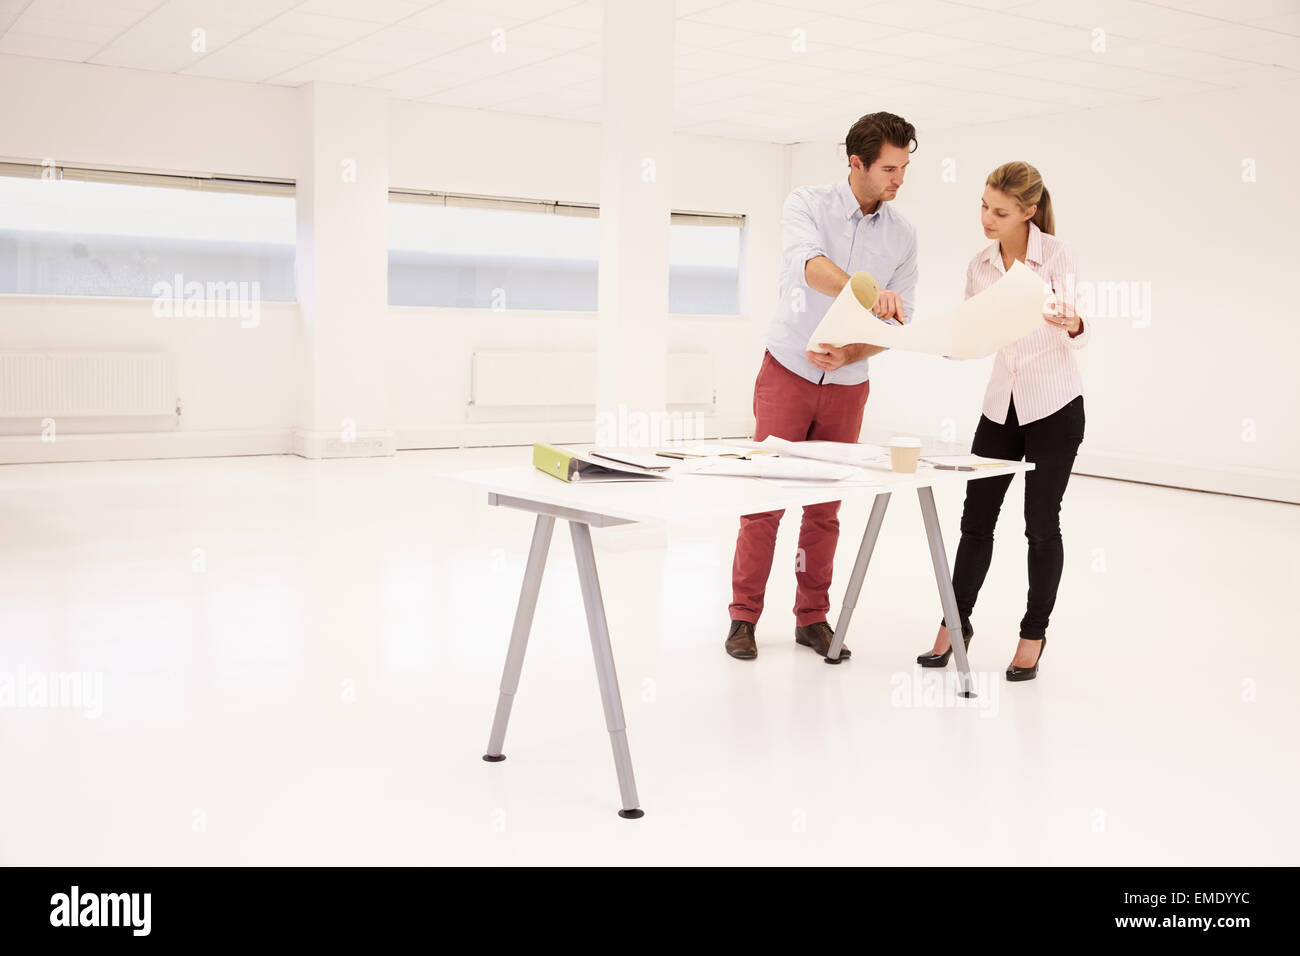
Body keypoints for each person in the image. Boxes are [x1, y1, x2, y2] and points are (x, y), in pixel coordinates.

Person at [724, 111, 917, 661]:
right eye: (887, 168)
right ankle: (743, 618)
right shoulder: (807, 204)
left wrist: (852, 351)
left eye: (903, 168)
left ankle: (812, 618)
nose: (897, 180)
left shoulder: (904, 236)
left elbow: (900, 321)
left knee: (826, 506)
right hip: (788, 368)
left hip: (848, 382)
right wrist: (861, 290)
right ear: (856, 163)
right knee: (765, 499)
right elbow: (808, 266)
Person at [916, 161, 1089, 681]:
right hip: (1001, 408)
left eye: (1001, 211)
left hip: (1055, 407)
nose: (988, 218)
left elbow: (1083, 327)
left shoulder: (1058, 256)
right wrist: (945, 342)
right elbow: (976, 333)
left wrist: (1072, 321)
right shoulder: (981, 265)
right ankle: (955, 622)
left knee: (1040, 525)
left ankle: (1033, 633)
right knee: (975, 521)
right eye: (984, 206)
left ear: (1028, 212)